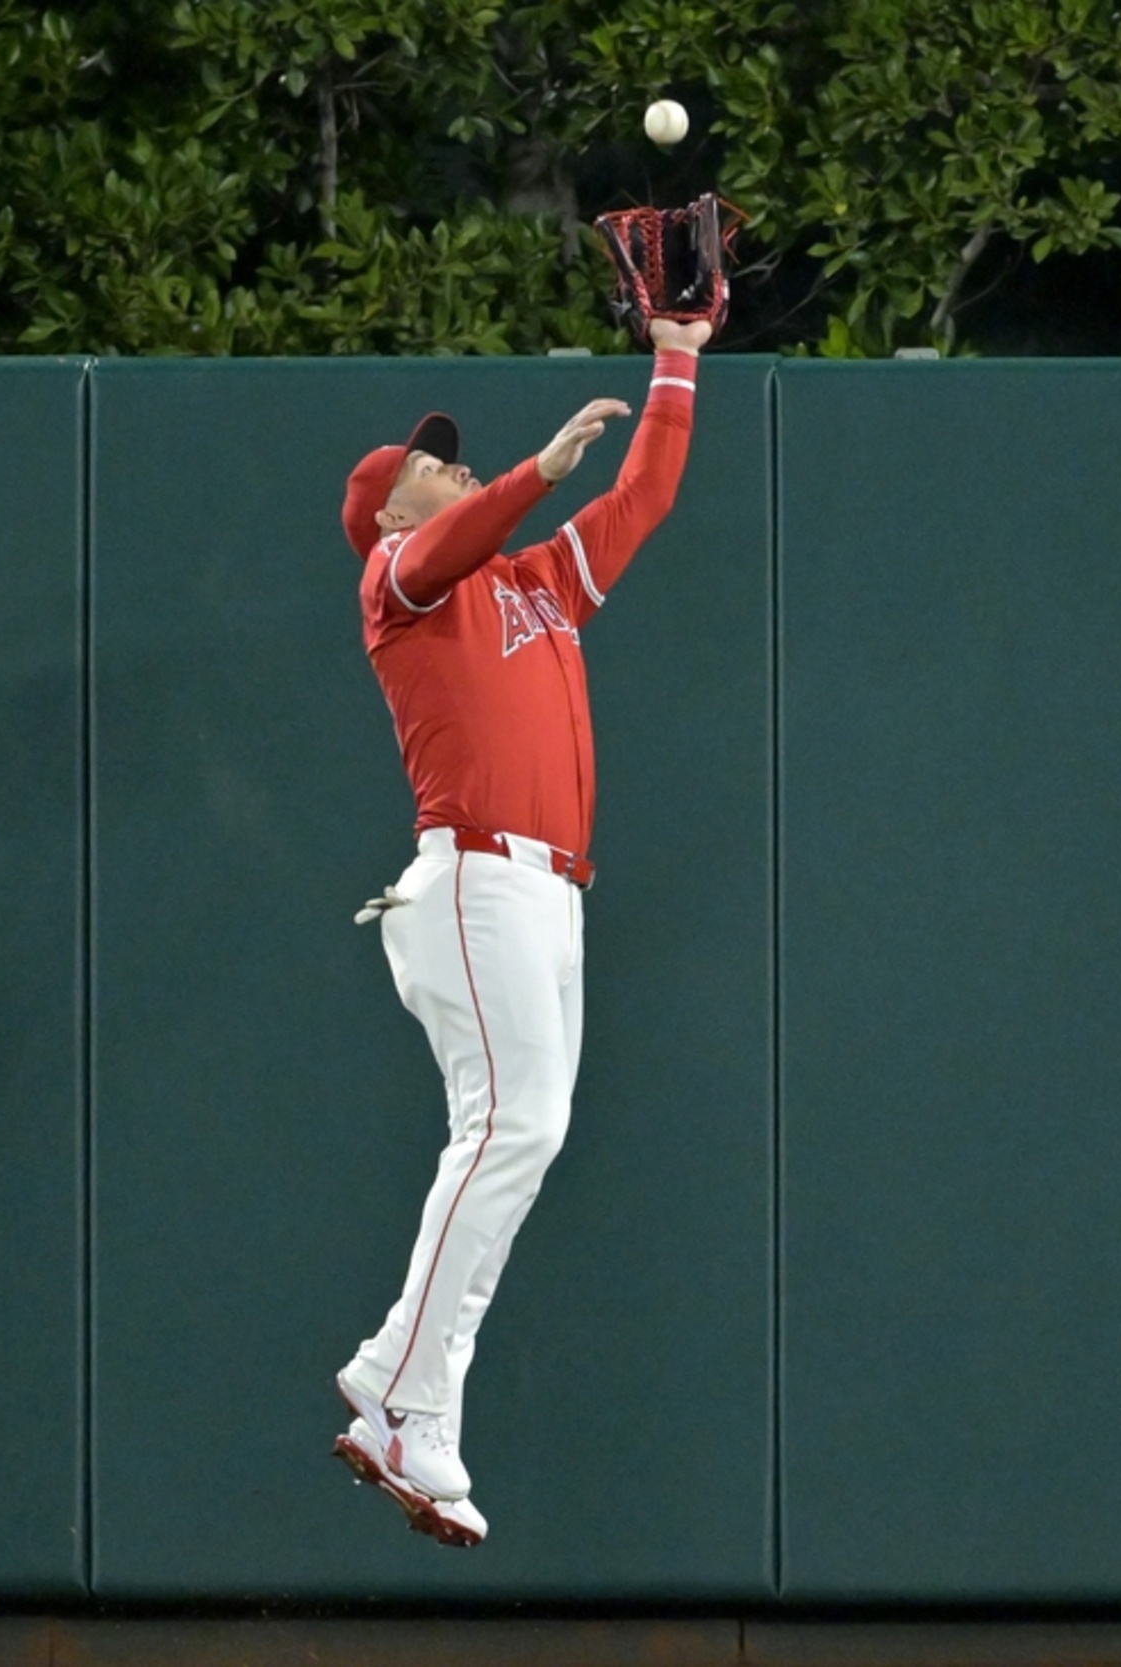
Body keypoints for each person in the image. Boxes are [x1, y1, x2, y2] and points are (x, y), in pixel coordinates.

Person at [328, 317, 712, 1547]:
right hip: (472, 878)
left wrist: (676, 358)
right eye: (420, 465)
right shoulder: (395, 582)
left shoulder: (534, 584)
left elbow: (644, 497)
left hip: (549, 895)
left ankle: (403, 1374)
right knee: (513, 1123)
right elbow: (450, 534)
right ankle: (404, 1391)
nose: (444, 464)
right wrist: (535, 472)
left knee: (519, 1136)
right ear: (389, 516)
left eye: (449, 457)